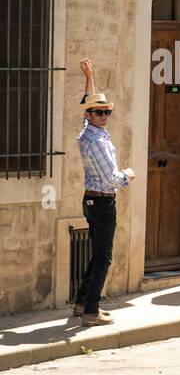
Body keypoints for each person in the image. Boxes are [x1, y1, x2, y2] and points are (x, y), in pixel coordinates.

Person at [74, 59, 135, 326]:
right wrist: (128, 176)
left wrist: (89, 76)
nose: (103, 115)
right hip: (102, 202)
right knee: (104, 258)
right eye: (98, 112)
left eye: (106, 111)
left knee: (97, 255)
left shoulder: (88, 133)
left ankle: (82, 304)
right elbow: (112, 178)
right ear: (89, 115)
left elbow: (89, 100)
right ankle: (91, 311)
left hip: (92, 200)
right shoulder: (96, 141)